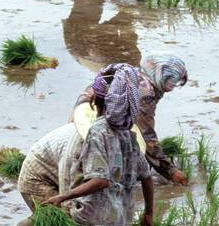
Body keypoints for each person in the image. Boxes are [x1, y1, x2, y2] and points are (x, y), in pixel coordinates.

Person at [46, 65, 154, 226]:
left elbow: (100, 181)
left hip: (95, 215)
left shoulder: (97, 131)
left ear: (96, 102)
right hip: (118, 217)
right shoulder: (129, 135)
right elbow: (146, 177)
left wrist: (63, 196)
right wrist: (149, 213)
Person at [73, 54, 190, 184]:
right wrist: (171, 171)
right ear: (162, 75)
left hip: (82, 114)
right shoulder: (146, 93)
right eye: (172, 81)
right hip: (94, 126)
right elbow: (147, 137)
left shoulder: (134, 75)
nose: (171, 88)